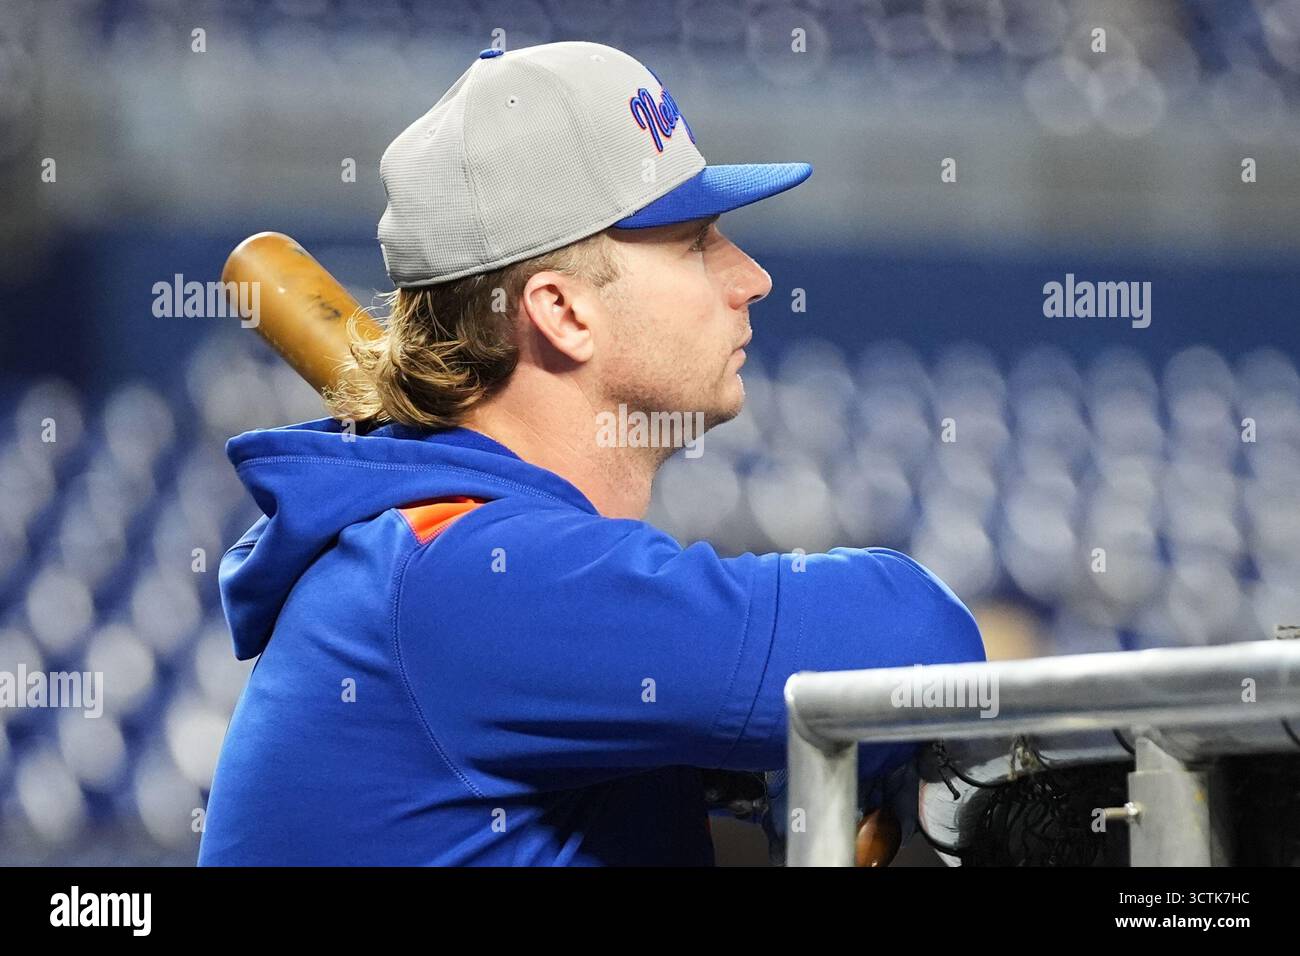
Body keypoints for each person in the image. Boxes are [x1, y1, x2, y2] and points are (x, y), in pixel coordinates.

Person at [198, 40, 985, 866]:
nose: (750, 277)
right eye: (695, 243)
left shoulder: (441, 561)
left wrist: (724, 769)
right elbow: (920, 634)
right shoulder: (474, 575)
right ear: (563, 312)